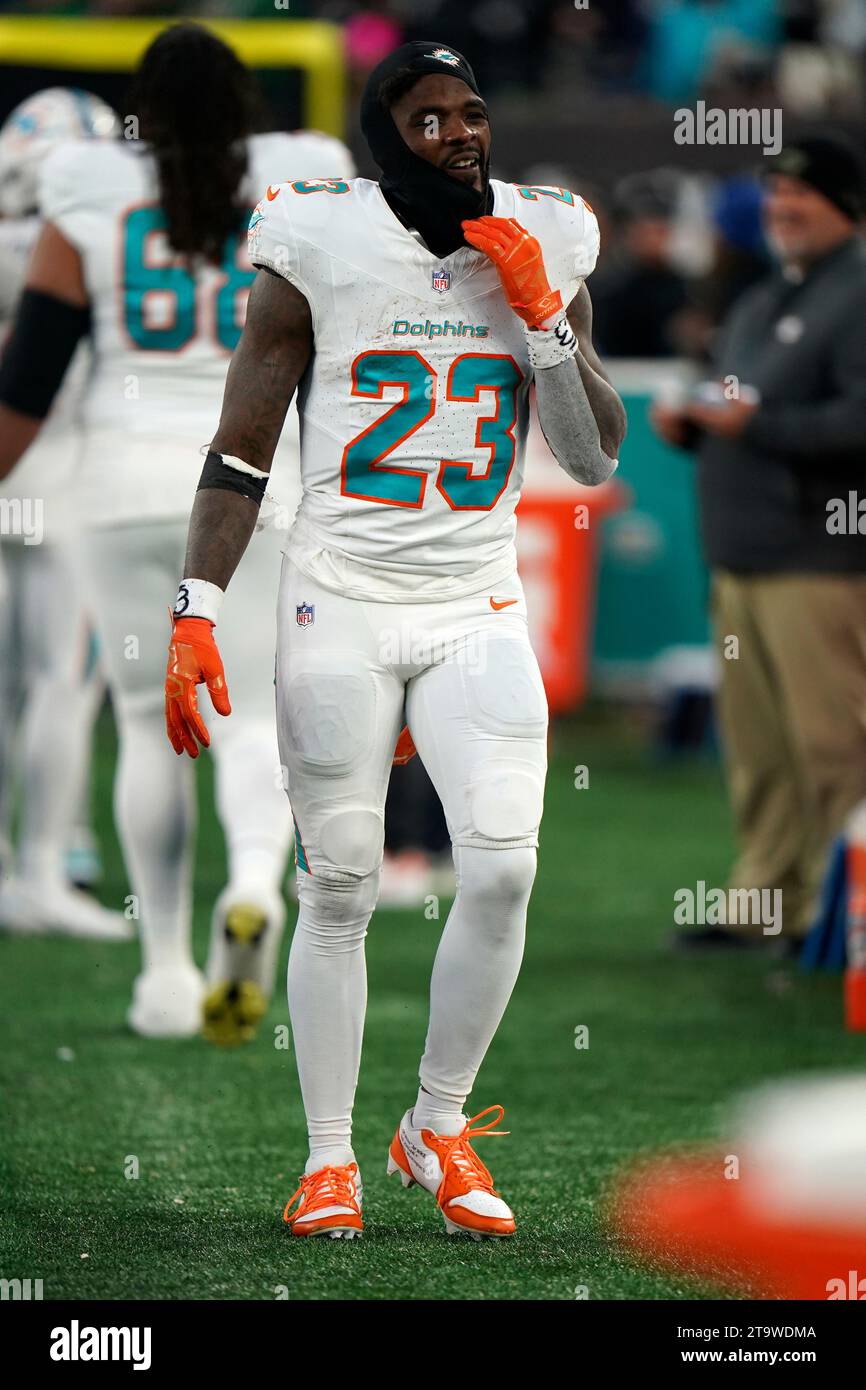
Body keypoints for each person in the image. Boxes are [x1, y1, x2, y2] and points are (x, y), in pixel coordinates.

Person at [164, 40, 626, 1238]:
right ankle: (327, 1159)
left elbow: (590, 456)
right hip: (341, 595)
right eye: (431, 121)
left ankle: (433, 1119)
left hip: (474, 600)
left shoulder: (543, 235)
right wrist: (196, 607)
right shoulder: (317, 240)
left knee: (507, 864)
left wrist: (542, 320)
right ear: (387, 141)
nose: (464, 136)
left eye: (474, 114)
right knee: (344, 884)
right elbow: (242, 447)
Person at [0, 24, 355, 1039]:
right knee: (246, 715)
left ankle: (162, 970)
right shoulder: (301, 180)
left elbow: (29, 376)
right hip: (248, 484)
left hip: (118, 483)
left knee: (145, 721)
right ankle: (250, 881)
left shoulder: (87, 192)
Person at [652, 134, 866, 953]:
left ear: (843, 204)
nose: (783, 209)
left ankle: (843, 908)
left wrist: (757, 425)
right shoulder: (767, 295)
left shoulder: (855, 291)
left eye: (801, 196)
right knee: (760, 749)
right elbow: (736, 402)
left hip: (821, 559)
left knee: (832, 743)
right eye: (775, 196)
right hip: (745, 556)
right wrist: (696, 425)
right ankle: (767, 897)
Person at [0, 87, 129, 943]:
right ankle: (42, 866)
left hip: (8, 473)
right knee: (63, 685)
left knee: (10, 687)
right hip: (64, 472)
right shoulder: (90, 235)